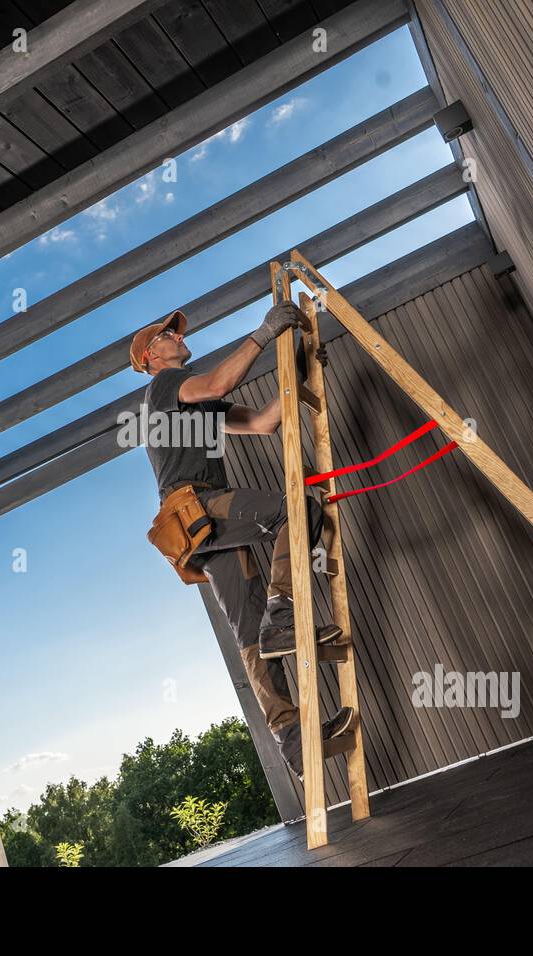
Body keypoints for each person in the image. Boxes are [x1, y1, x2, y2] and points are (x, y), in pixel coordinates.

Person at [131, 305, 354, 780]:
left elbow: (263, 423)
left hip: (201, 528)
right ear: (152, 355)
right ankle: (284, 612)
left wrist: (296, 369)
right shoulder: (167, 385)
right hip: (197, 507)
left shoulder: (195, 401)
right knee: (294, 511)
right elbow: (217, 384)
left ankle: (291, 738)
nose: (177, 335)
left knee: (248, 632)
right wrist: (263, 333)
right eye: (167, 334)